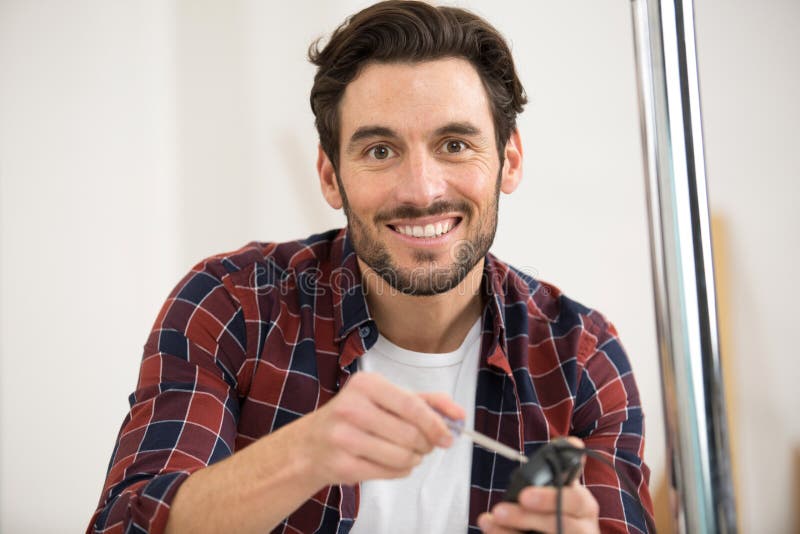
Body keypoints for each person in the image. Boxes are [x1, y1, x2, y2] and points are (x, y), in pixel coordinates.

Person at [88, 1, 654, 532]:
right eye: (380, 150)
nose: (421, 190)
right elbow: (126, 522)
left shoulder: (581, 355)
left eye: (455, 144)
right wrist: (304, 455)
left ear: (508, 161)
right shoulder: (232, 303)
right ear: (331, 177)